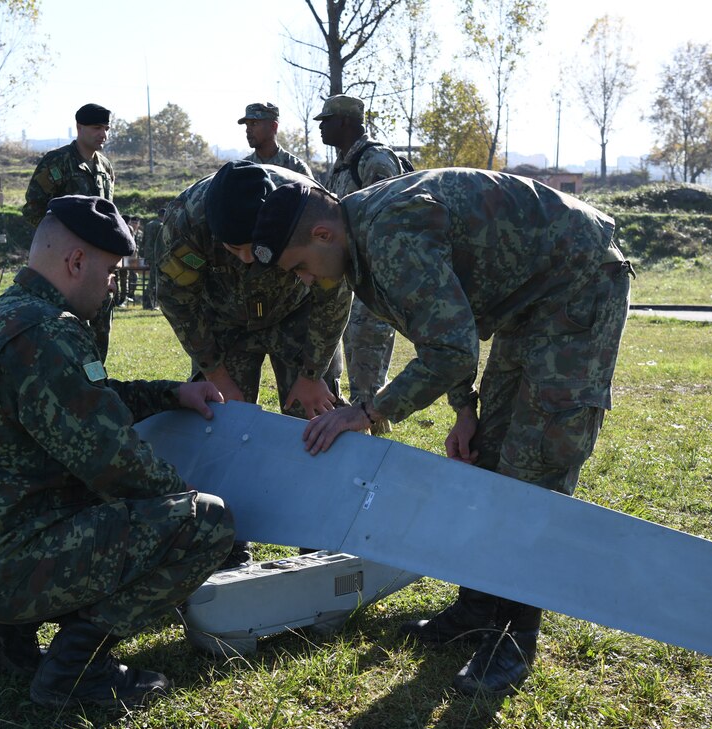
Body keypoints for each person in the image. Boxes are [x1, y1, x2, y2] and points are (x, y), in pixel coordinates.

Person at [246, 168, 633, 696]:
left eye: (300, 268)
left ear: (321, 235)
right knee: (487, 458)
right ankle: (476, 610)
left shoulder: (389, 235)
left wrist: (368, 412)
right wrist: (465, 410)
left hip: (579, 280)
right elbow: (450, 326)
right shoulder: (357, 244)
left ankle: (514, 638)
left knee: (532, 468)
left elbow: (451, 348)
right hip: (531, 296)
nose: (305, 280)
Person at [0, 195, 236, 708]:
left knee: (102, 510)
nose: (115, 284)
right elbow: (118, 463)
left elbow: (82, 399)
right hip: (8, 564)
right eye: (112, 271)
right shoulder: (48, 333)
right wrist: (197, 510)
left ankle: (5, 633)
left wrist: (170, 394)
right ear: (76, 263)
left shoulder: (14, 317)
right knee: (207, 524)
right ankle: (78, 670)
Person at [152, 160, 352, 567]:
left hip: (296, 316)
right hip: (222, 324)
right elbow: (176, 299)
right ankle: (226, 539)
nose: (245, 259)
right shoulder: (185, 223)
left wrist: (313, 373)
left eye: (252, 248)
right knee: (219, 424)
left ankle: (318, 533)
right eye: (232, 249)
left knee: (314, 421)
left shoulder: (304, 207)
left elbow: (334, 292)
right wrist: (216, 371)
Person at [316, 93, 406, 436]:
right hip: (349, 285)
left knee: (367, 385)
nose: (321, 128)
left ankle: (374, 454)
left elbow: (390, 222)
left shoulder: (375, 160)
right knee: (357, 377)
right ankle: (369, 443)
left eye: (326, 121)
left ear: (345, 122)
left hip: (374, 287)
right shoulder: (340, 166)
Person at [21, 103, 117, 358]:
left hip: (96, 263)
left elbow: (108, 215)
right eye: (97, 128)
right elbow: (33, 210)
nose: (103, 134)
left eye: (106, 128)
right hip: (62, 265)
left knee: (99, 326)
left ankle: (96, 383)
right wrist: (59, 242)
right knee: (60, 327)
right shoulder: (57, 163)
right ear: (79, 128)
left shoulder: (105, 168)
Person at [238, 102, 314, 178]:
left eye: (254, 123)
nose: (248, 130)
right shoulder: (242, 168)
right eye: (247, 125)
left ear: (274, 126)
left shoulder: (297, 168)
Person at [140, 208, 165, 309]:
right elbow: (162, 243)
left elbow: (143, 240)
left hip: (148, 255)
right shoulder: (161, 226)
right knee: (154, 281)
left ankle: (150, 303)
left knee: (152, 279)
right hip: (156, 255)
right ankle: (148, 303)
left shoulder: (149, 224)